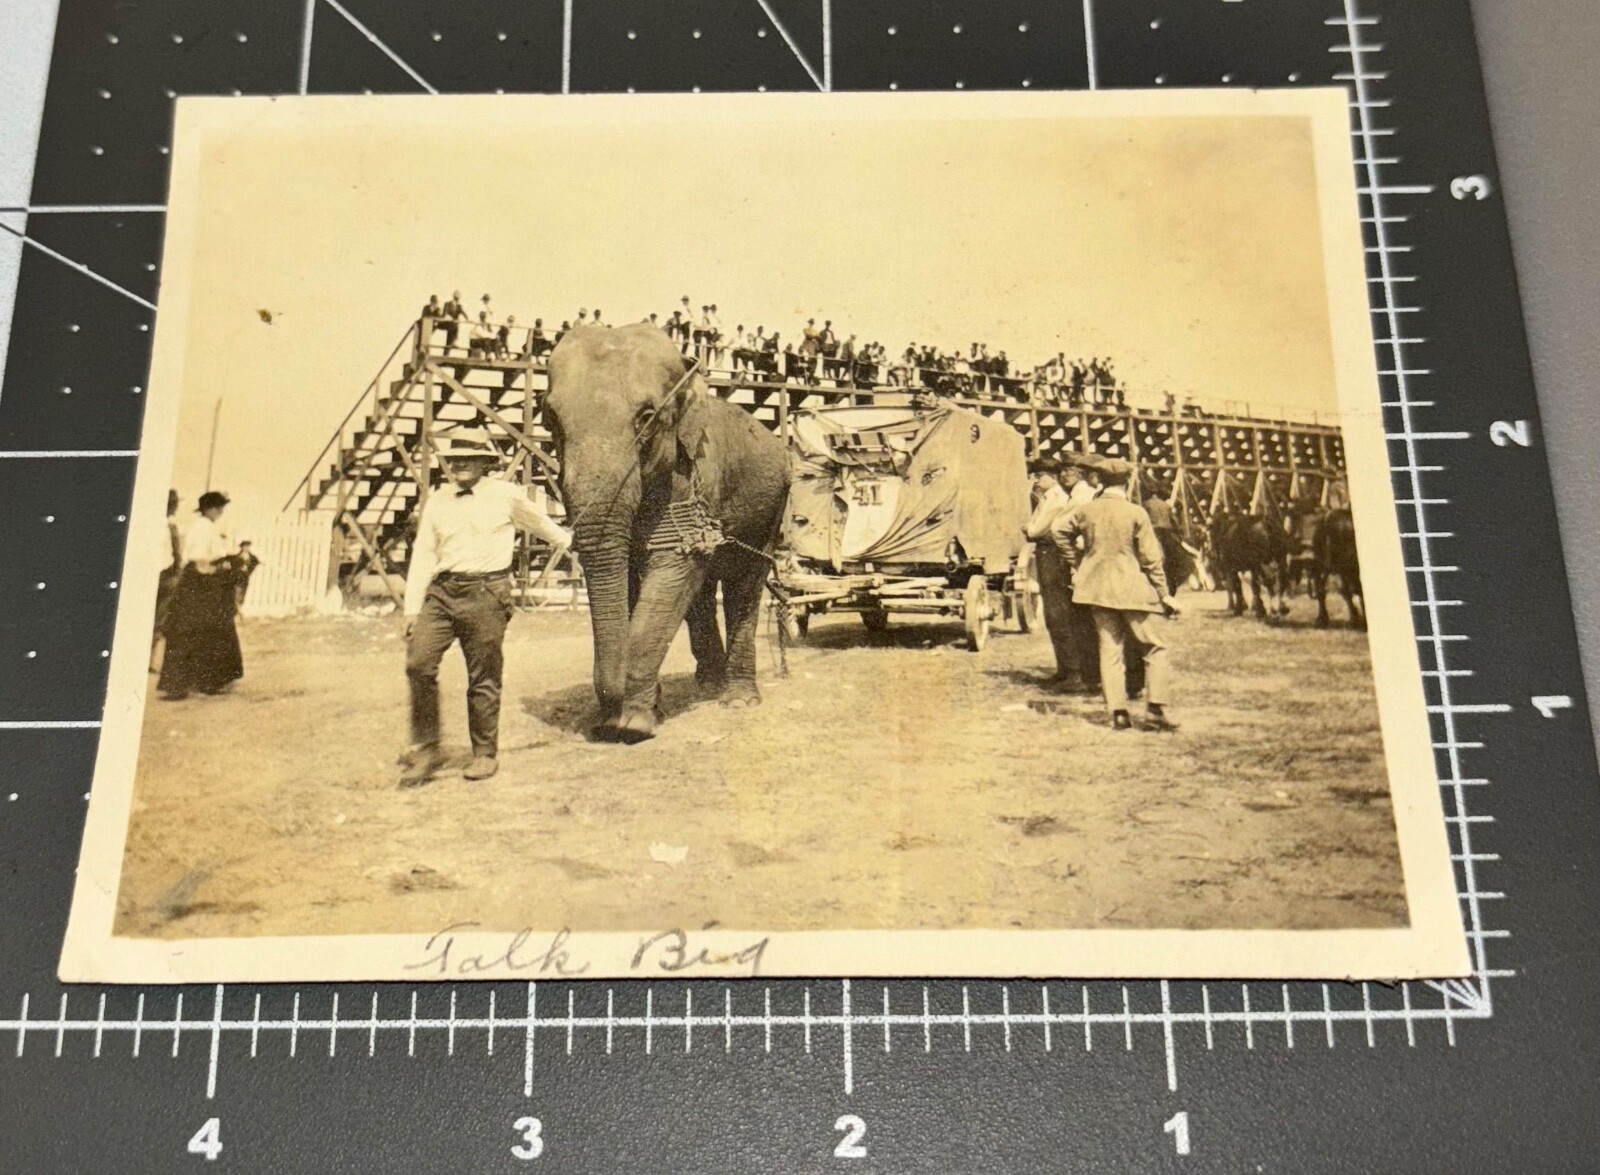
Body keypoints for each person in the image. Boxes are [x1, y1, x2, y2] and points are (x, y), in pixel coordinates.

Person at [401, 428, 573, 786]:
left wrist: (572, 544)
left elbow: (543, 526)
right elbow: (423, 554)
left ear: (485, 461)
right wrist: (411, 608)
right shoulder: (438, 499)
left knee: (483, 675)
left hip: (487, 593)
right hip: (442, 592)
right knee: (418, 663)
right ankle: (429, 747)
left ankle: (484, 753)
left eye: (468, 457)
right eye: (454, 458)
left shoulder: (506, 495)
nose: (460, 464)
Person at [1054, 459, 1179, 732]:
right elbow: (1151, 559)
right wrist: (1164, 594)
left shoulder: (1087, 510)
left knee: (1110, 650)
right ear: (1126, 481)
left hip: (1096, 588)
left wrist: (1079, 561)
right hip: (1130, 587)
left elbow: (1058, 531)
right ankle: (1156, 709)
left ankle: (1118, 714)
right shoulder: (1135, 513)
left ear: (1100, 481)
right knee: (1155, 647)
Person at [157, 491, 244, 700]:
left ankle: (194, 681)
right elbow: (199, 560)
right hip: (200, 582)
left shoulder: (205, 526)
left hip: (198, 580)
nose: (220, 512)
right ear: (210, 509)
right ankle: (203, 681)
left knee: (196, 629)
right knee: (205, 628)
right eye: (218, 508)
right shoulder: (203, 527)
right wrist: (216, 571)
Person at [1023, 458, 1079, 685]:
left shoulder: (1056, 500)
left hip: (1053, 554)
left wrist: (1030, 529)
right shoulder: (1047, 498)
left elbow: (1035, 529)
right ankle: (1063, 668)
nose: (1036, 480)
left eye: (1040, 475)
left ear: (1052, 477)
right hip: (1046, 553)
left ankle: (1072, 669)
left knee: (1059, 612)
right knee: (1052, 613)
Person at [152, 489, 182, 663]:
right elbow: (177, 554)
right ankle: (151, 659)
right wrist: (178, 572)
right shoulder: (170, 527)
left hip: (154, 575)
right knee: (160, 619)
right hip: (166, 576)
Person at [231, 540, 262, 613]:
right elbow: (233, 566)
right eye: (244, 546)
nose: (246, 548)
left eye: (247, 546)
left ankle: (238, 610)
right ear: (241, 547)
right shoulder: (237, 557)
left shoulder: (252, 557)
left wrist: (248, 570)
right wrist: (239, 568)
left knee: (242, 596)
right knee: (236, 594)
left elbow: (255, 563)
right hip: (237, 578)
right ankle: (238, 611)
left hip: (245, 578)